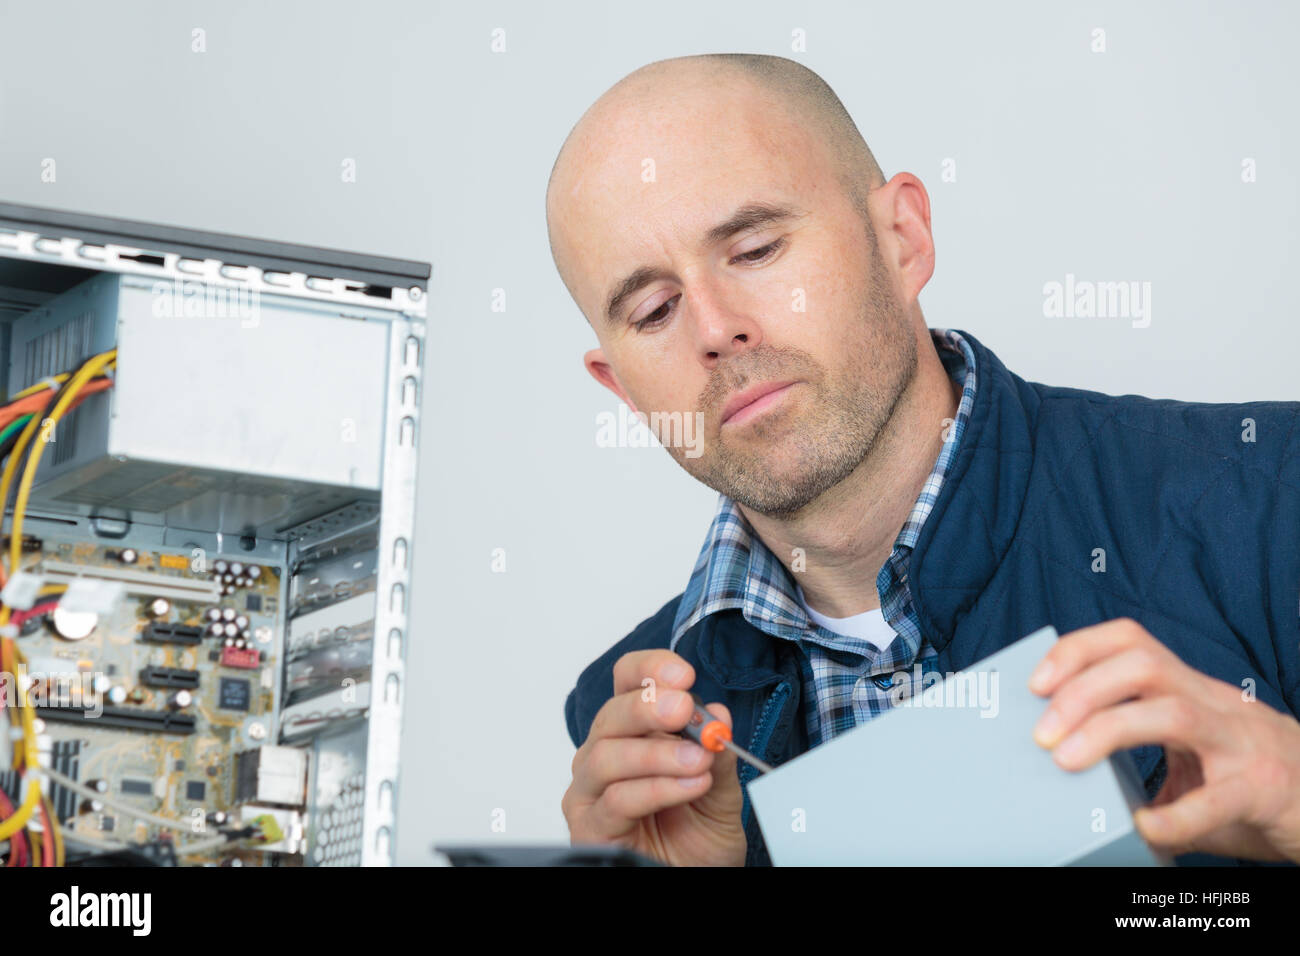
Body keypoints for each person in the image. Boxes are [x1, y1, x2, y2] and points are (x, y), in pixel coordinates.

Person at [546, 53, 1300, 866]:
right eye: (656, 310)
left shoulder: (1270, 502)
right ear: (622, 387)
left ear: (902, 239)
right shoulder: (633, 729)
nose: (715, 329)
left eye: (757, 249)